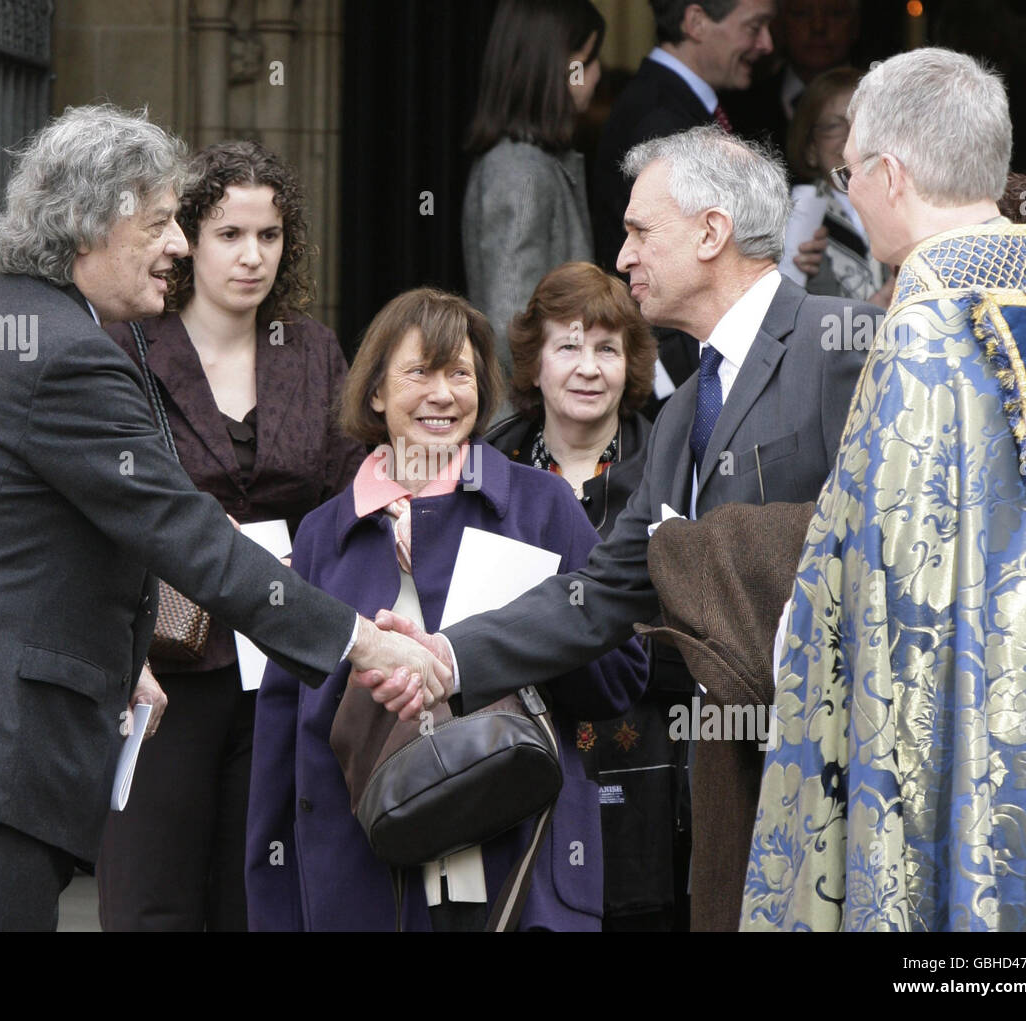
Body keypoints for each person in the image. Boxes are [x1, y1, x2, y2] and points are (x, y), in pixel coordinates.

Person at [0, 105, 447, 932]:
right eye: (161, 221)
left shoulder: (4, 319)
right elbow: (186, 533)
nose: (177, 244)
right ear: (91, 223)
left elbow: (24, 530)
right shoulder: (65, 354)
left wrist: (123, 652)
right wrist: (362, 643)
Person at [363, 126, 881, 931]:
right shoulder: (678, 414)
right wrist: (448, 654)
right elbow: (602, 593)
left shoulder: (839, 345)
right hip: (731, 790)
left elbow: (888, 556)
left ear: (710, 233)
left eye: (641, 230)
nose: (624, 252)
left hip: (842, 783)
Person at [740, 47, 1026, 932]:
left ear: (888, 173)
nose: (849, 193)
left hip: (958, 749)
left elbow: (886, 587)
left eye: (849, 174)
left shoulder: (921, 330)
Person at [246, 288, 650, 931]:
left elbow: (622, 678)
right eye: (419, 373)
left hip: (521, 864)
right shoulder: (324, 534)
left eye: (459, 373)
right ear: (376, 392)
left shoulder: (541, 505)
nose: (443, 394)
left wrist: (517, 636)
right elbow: (281, 728)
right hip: (361, 879)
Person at [94, 141, 365, 931]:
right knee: (153, 895)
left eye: (270, 236)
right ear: (186, 238)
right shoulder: (129, 349)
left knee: (260, 897)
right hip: (165, 661)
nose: (253, 257)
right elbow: (102, 503)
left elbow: (349, 487)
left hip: (282, 664)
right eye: (230, 235)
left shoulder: (311, 352)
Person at [484, 261, 691, 930]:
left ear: (631, 363)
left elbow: (699, 640)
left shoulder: (673, 465)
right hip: (508, 772)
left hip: (646, 774)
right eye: (567, 345)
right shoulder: (487, 468)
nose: (587, 366)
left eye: (607, 347)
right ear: (535, 361)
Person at [591, 0, 774, 420]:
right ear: (695, 22)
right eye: (754, 26)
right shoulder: (661, 116)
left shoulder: (675, 102)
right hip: (673, 367)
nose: (766, 44)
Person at [462, 0, 605, 380]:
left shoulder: (532, 163)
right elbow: (512, 321)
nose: (597, 74)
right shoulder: (520, 169)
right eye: (587, 60)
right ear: (553, 66)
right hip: (530, 422)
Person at [781, 67, 889, 304]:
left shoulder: (902, 199)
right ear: (811, 149)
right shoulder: (793, 219)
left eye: (861, 122)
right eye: (834, 126)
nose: (851, 137)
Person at [722, 0, 862, 154]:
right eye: (801, 14)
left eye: (836, 14)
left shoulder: (880, 97)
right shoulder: (738, 107)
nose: (818, 27)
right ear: (779, 25)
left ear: (856, 25)